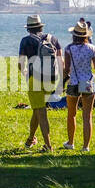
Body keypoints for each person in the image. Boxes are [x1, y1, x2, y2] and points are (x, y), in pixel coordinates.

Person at [18, 15, 61, 152]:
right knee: (37, 109)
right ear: (41, 26)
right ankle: (31, 139)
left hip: (35, 79)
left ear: (28, 28)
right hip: (51, 79)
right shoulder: (53, 39)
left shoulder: (25, 41)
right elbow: (61, 61)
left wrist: (24, 72)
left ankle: (48, 146)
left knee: (41, 112)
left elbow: (21, 63)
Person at [62, 23, 95, 152]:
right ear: (86, 35)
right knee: (87, 115)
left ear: (74, 35)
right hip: (88, 83)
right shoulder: (92, 48)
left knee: (71, 114)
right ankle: (86, 146)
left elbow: (66, 69)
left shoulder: (68, 49)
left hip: (73, 82)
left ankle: (71, 142)